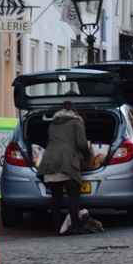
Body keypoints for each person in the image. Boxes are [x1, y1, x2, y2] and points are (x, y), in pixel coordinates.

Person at [36, 100, 91, 236]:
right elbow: (82, 143)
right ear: (74, 110)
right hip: (67, 161)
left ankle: (56, 229)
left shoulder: (53, 124)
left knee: (56, 197)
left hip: (49, 160)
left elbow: (48, 142)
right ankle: (75, 227)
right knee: (74, 195)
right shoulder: (77, 122)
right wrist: (88, 157)